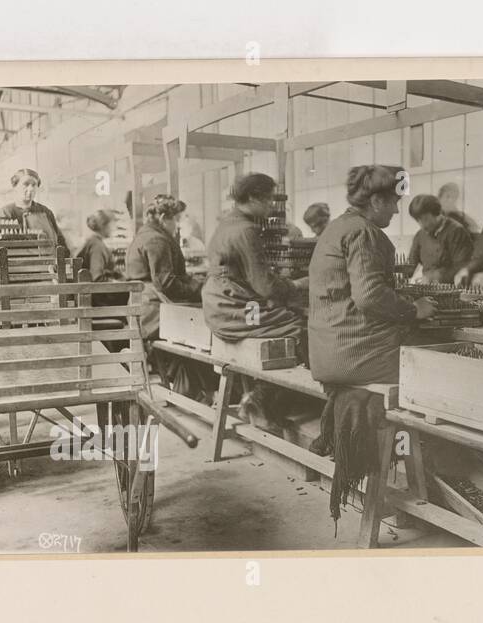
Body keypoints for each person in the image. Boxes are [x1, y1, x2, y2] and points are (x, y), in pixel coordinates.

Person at [307, 164, 437, 525]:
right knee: (436, 375)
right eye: (394, 202)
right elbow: (367, 297)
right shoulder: (364, 232)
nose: (397, 211)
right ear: (376, 200)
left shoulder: (337, 228)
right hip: (354, 355)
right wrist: (414, 310)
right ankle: (422, 495)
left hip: (329, 349)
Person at [202, 173, 309, 433]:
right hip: (235, 310)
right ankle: (263, 404)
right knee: (299, 326)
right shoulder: (246, 230)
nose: (272, 206)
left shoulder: (228, 222)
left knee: (287, 315)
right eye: (269, 200)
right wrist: (297, 285)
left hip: (219, 305)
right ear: (252, 198)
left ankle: (260, 401)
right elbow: (265, 286)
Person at [125, 194, 218, 401]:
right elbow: (166, 283)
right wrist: (200, 289)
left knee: (196, 334)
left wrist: (195, 284)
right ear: (164, 217)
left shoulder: (146, 234)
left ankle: (192, 391)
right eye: (176, 219)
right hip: (152, 313)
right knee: (205, 332)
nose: (178, 225)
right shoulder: (156, 240)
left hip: (144, 309)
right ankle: (198, 392)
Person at [0, 168, 68, 256]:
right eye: (25, 184)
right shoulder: (6, 213)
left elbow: (59, 241)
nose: (30, 189)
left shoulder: (45, 211)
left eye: (34, 185)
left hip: (46, 263)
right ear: (15, 187)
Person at [406, 194, 475, 284]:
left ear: (436, 213)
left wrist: (434, 277)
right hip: (427, 290)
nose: (421, 225)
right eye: (418, 220)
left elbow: (462, 267)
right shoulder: (420, 236)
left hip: (452, 289)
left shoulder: (457, 232)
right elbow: (410, 265)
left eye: (425, 219)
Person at [76, 209, 119, 283]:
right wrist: (119, 284)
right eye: (112, 224)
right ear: (103, 225)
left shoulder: (93, 241)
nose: (115, 228)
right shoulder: (96, 246)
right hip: (95, 292)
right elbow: (97, 278)